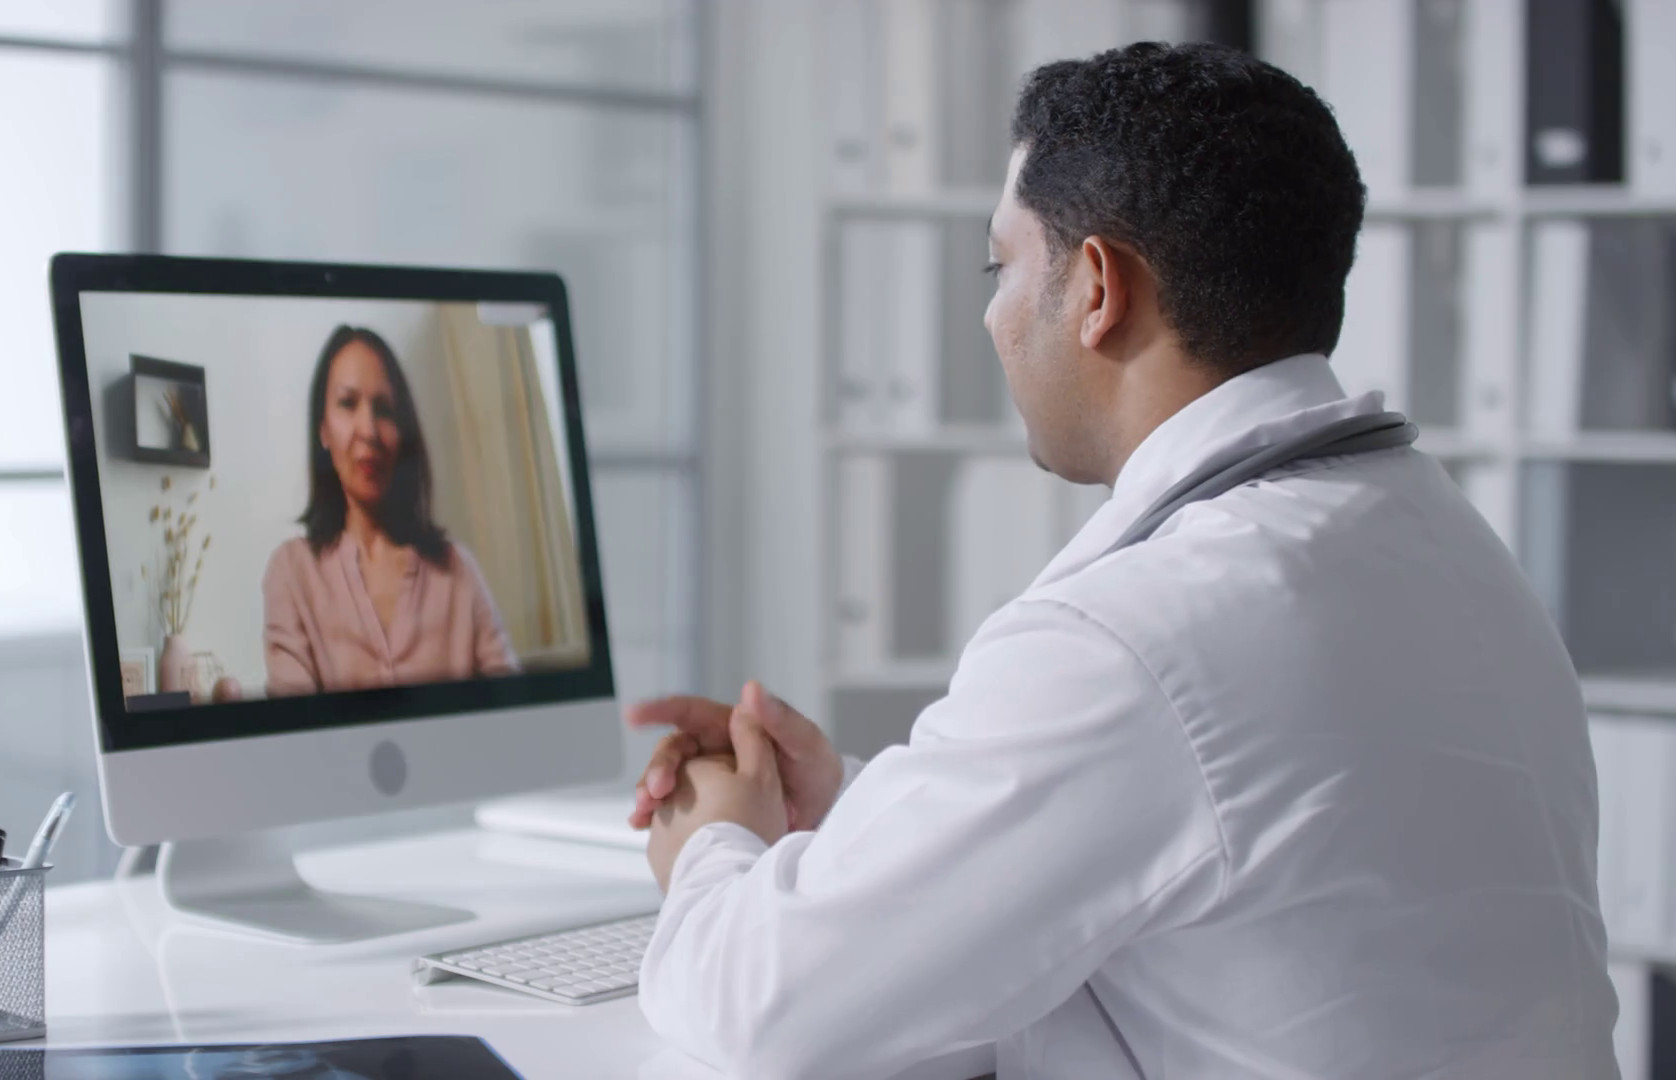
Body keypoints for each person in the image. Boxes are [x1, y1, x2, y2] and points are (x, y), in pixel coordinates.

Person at [628, 43, 1616, 1080]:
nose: (989, 316)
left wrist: (714, 846)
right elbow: (1216, 823)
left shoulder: (1136, 637)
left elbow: (763, 1010)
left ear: (1097, 288)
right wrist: (861, 806)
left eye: (1000, 267)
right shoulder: (1435, 540)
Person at [263, 325, 518, 696]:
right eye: (348, 404)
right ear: (324, 430)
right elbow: (298, 741)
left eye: (384, 410)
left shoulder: (457, 571)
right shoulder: (290, 573)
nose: (368, 429)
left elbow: (514, 717)